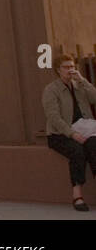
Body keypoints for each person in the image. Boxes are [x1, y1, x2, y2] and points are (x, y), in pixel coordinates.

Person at [42, 53, 96, 211]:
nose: (70, 70)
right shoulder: (51, 90)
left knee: (94, 146)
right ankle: (77, 196)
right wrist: (72, 134)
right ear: (58, 70)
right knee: (77, 151)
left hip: (85, 129)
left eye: (72, 66)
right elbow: (53, 117)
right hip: (59, 135)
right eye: (66, 67)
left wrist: (83, 80)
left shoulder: (80, 86)